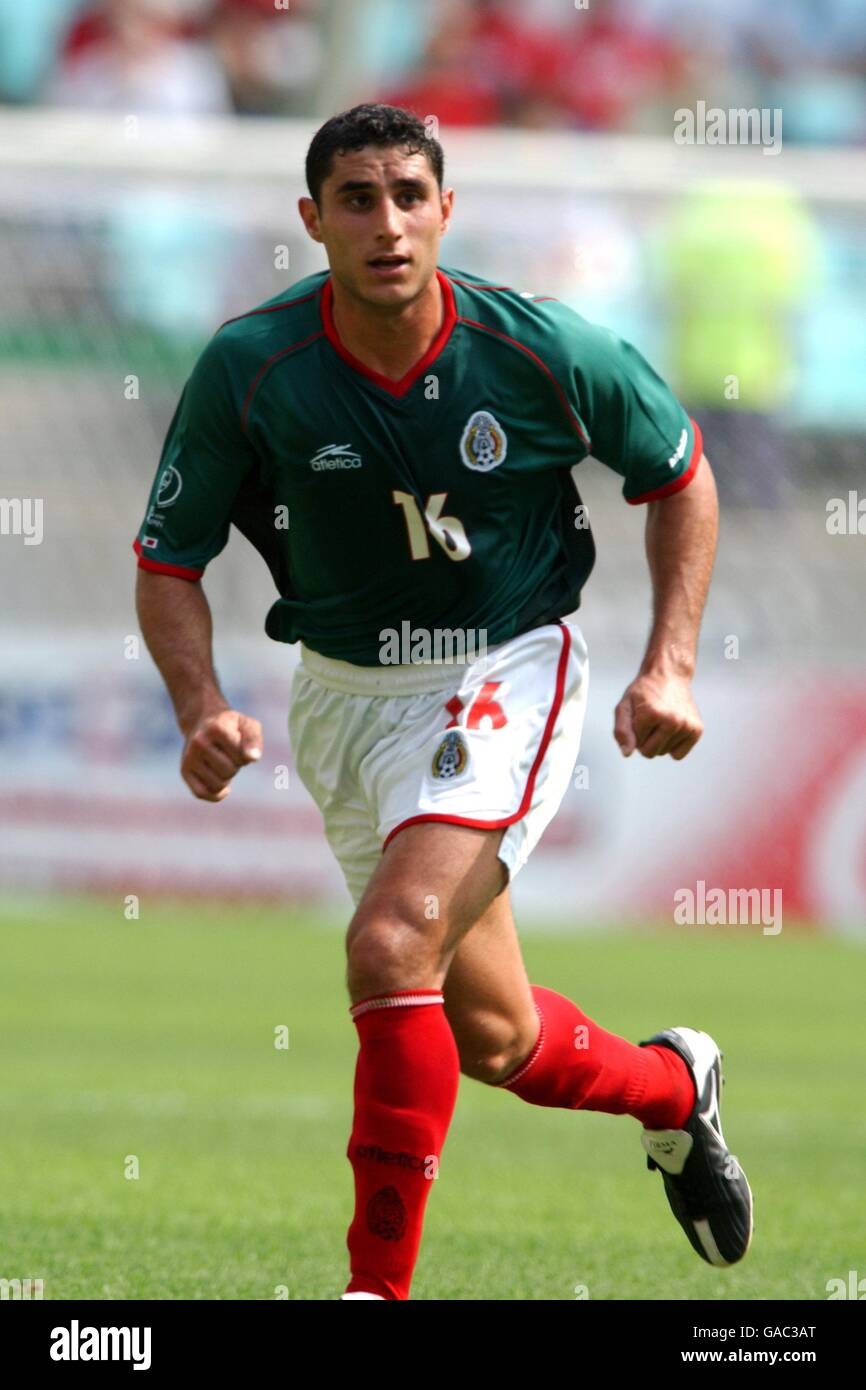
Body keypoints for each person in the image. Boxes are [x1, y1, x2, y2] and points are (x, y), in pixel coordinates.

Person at [134, 103, 752, 1301]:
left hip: (504, 665)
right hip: (343, 698)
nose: (387, 224)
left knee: (386, 941)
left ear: (445, 212)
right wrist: (198, 702)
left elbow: (677, 471)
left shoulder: (534, 347)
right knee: (496, 1039)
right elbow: (167, 561)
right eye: (356, 200)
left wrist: (668, 660)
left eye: (409, 197)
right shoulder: (249, 367)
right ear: (311, 221)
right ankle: (677, 1091)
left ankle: (375, 1293)